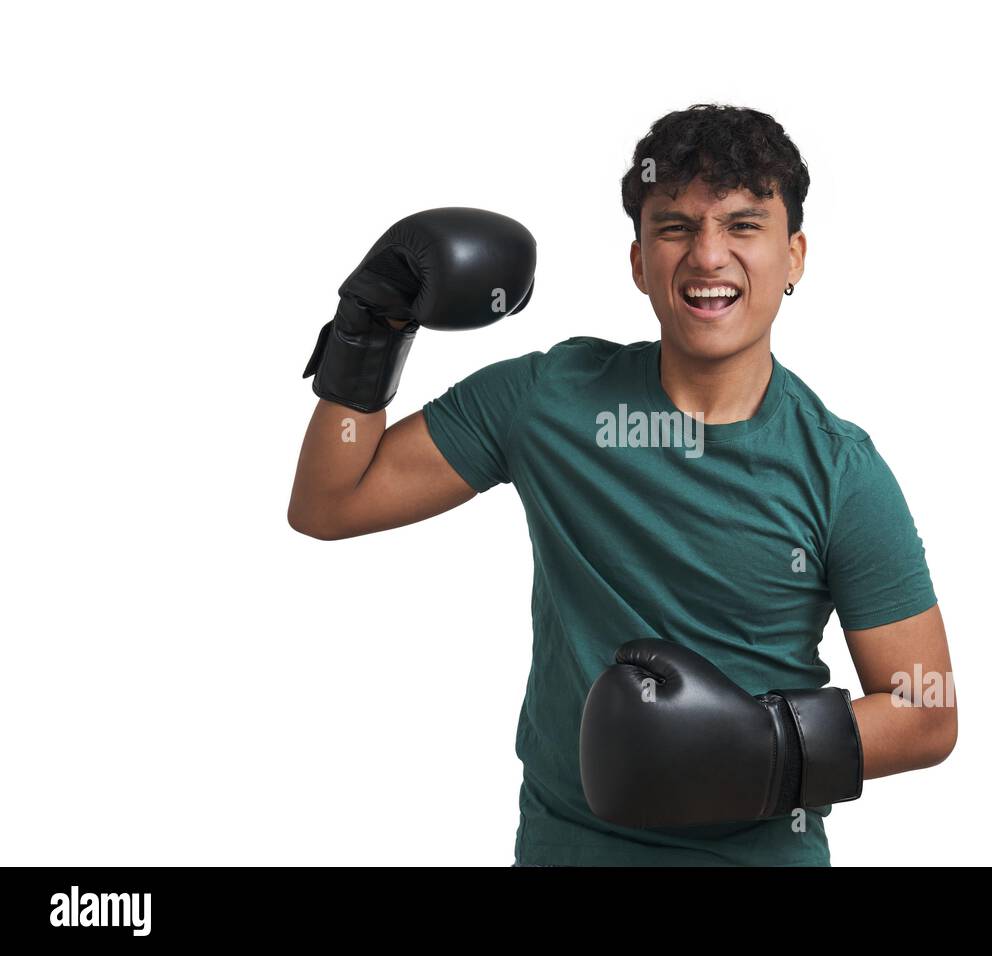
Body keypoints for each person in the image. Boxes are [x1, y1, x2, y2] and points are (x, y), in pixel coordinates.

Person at [288, 103, 957, 866]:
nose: (708, 257)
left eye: (743, 226)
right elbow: (329, 502)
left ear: (794, 255)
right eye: (675, 227)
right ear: (638, 261)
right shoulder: (548, 401)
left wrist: (758, 741)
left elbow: (927, 713)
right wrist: (368, 330)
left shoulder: (841, 471)